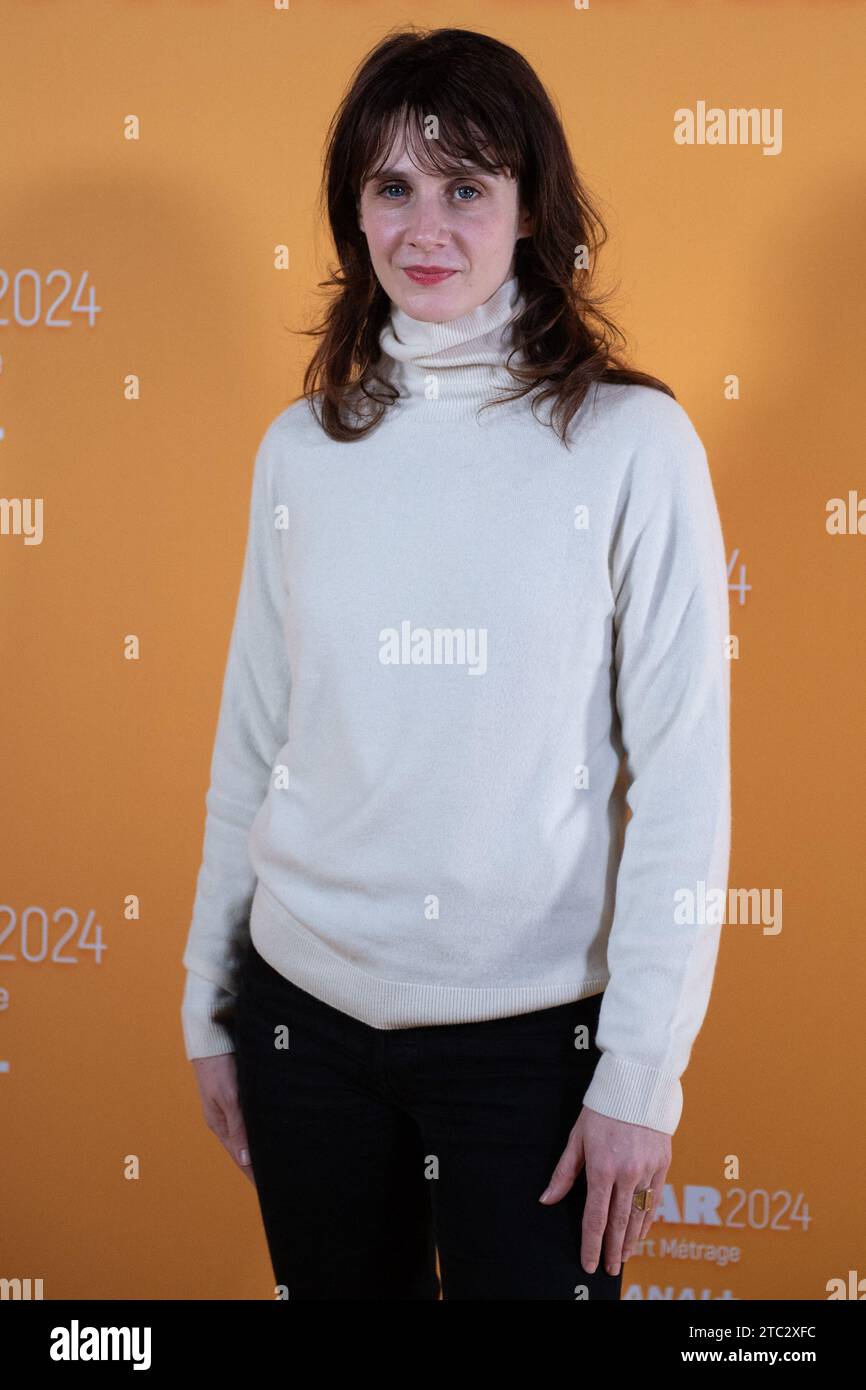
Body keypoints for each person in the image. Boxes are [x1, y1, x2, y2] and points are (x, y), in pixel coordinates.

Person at [181, 25, 731, 1301]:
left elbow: (685, 787)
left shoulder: (629, 446)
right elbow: (251, 744)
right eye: (392, 187)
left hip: (531, 1055)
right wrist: (208, 1009)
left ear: (529, 207)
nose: (425, 226)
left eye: (466, 186)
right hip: (302, 1023)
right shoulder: (301, 452)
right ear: (352, 212)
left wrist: (639, 1075)